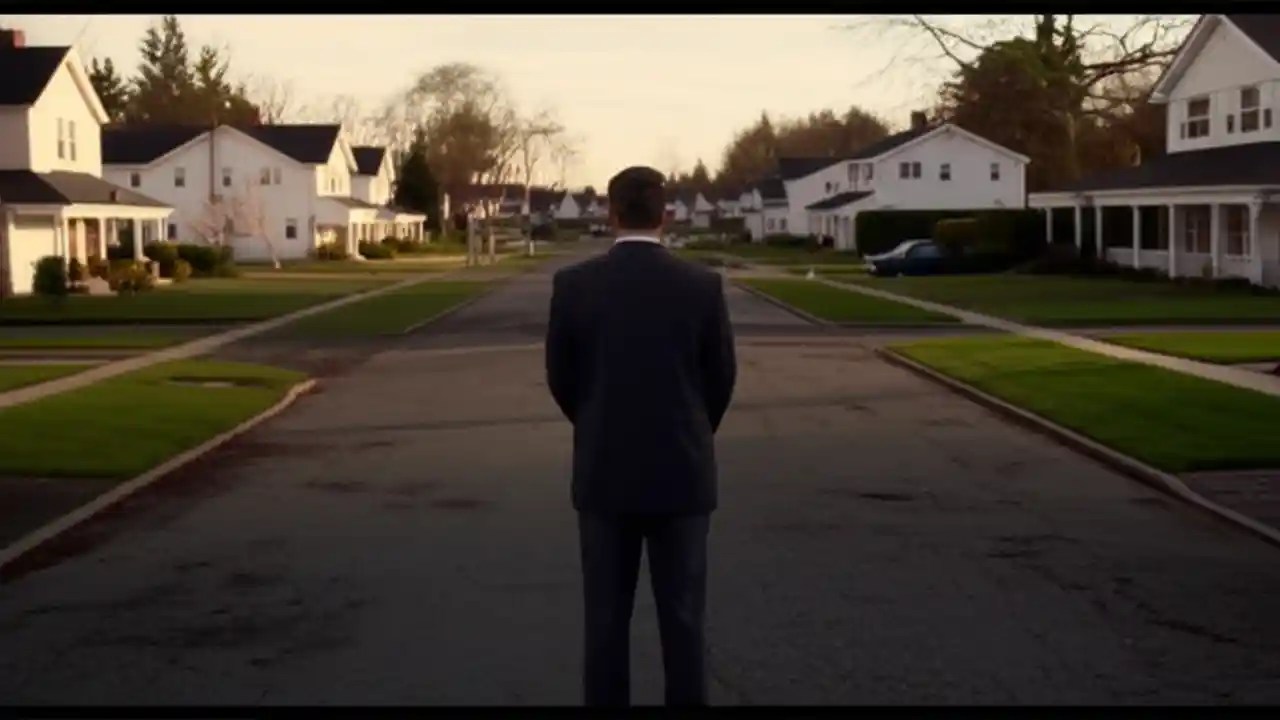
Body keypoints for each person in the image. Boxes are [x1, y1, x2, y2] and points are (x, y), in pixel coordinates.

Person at [544, 165, 738, 707]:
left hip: (605, 475)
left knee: (605, 622)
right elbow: (719, 378)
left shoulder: (574, 286)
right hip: (683, 475)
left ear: (610, 214)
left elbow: (562, 378)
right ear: (666, 215)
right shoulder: (701, 287)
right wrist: (693, 431)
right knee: (684, 621)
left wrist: (598, 421)